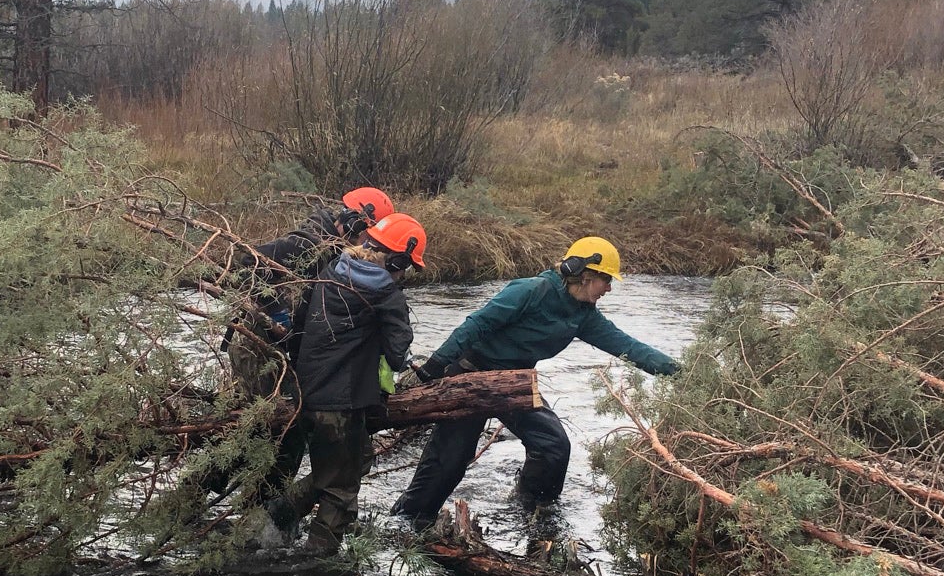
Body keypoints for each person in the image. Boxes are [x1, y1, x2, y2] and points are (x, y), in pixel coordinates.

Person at [389, 236, 678, 535]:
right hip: (471, 375)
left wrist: (680, 372)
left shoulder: (584, 316)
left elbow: (628, 346)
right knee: (449, 460)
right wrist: (437, 364)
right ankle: (406, 521)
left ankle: (532, 514)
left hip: (516, 384)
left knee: (553, 446)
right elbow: (478, 323)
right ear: (584, 273)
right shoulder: (531, 290)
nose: (609, 288)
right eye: (606, 279)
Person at [216, 187, 396, 516]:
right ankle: (242, 505)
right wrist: (275, 313)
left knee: (286, 433)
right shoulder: (307, 241)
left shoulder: (334, 247)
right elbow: (246, 266)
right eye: (367, 235)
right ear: (356, 220)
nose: (368, 245)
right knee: (278, 431)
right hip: (257, 348)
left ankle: (260, 514)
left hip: (278, 350)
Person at [264, 213, 426, 555]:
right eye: (406, 266)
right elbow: (398, 355)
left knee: (355, 460)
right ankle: (319, 563)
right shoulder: (386, 294)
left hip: (306, 395)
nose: (404, 274)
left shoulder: (329, 273)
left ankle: (272, 525)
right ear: (396, 259)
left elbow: (297, 331)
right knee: (341, 489)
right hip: (342, 405)